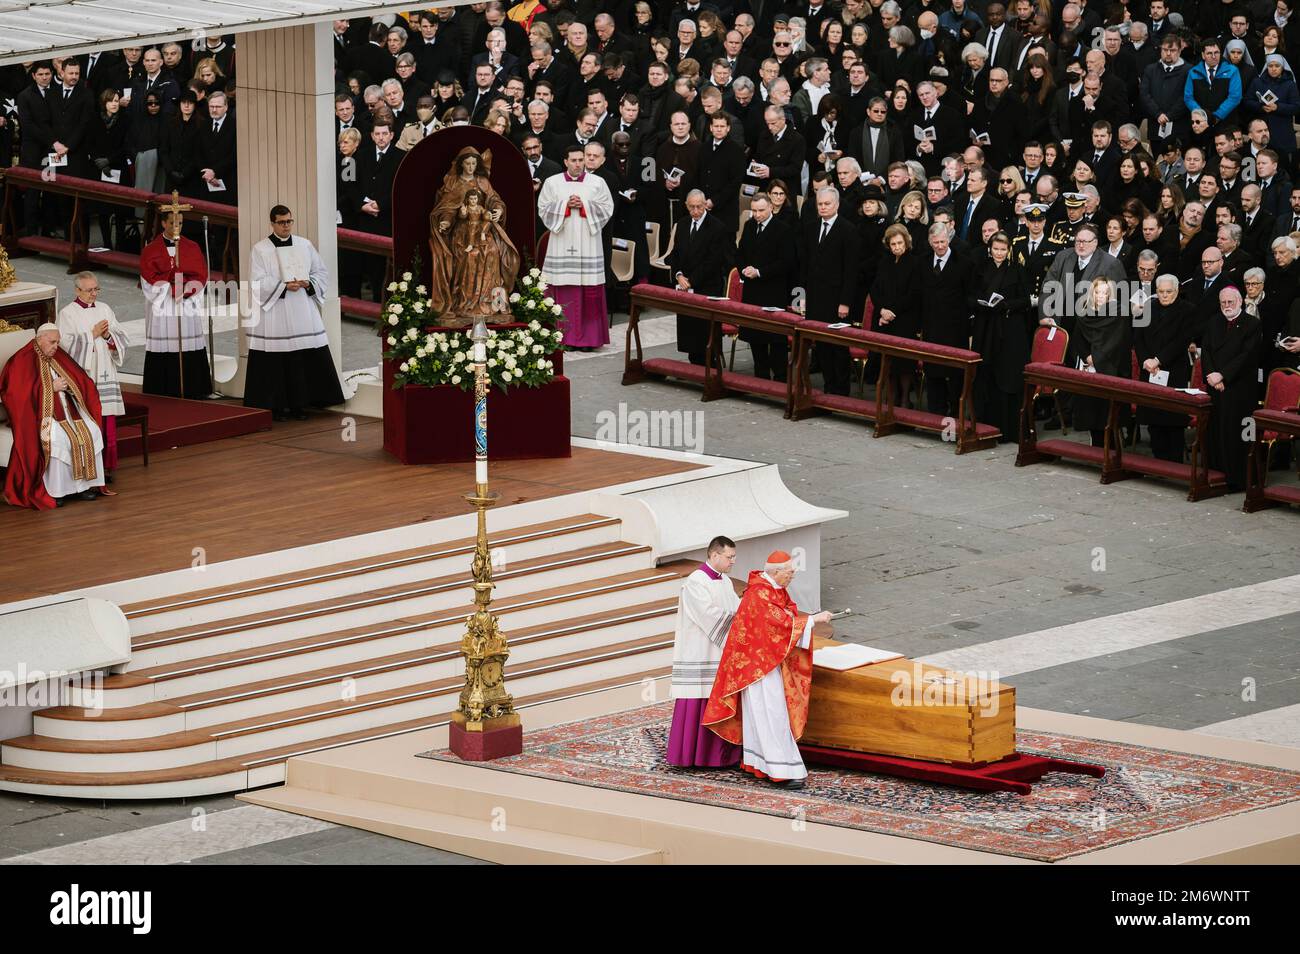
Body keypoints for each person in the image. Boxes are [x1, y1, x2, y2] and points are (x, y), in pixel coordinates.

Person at [702, 549, 833, 788]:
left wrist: (804, 620)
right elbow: (779, 625)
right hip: (759, 668)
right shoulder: (760, 594)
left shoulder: (771, 588)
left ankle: (758, 763)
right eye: (789, 572)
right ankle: (783, 769)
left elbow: (785, 616)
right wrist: (815, 619)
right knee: (773, 715)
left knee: (760, 716)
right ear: (776, 572)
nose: (792, 576)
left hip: (760, 663)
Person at [244, 205, 345, 421]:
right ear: (272, 223)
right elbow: (256, 282)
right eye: (281, 222)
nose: (286, 226)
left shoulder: (304, 245)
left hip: (301, 308)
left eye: (289, 221)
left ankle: (301, 405)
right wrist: (281, 286)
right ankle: (277, 406)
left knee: (300, 358)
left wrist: (309, 283)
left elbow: (321, 272)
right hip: (276, 311)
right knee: (276, 361)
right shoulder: (260, 249)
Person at [0, 324, 106, 509]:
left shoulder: (57, 355)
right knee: (59, 438)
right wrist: (50, 387)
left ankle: (84, 486)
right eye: (52, 342)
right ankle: (57, 491)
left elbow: (81, 379)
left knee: (91, 431)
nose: (56, 346)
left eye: (57, 342)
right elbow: (16, 395)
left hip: (69, 410)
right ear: (40, 339)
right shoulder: (21, 360)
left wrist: (72, 387)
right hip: (40, 415)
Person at [666, 535, 742, 769]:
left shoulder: (725, 582)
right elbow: (709, 616)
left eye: (734, 557)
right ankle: (694, 756)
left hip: (719, 652)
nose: (733, 561)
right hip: (701, 653)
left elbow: (736, 609)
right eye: (729, 557)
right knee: (699, 702)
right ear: (714, 555)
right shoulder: (695, 582)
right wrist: (738, 626)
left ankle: (722, 756)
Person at [537, 144, 616, 349]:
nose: (578, 164)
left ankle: (590, 339)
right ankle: (563, 337)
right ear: (565, 162)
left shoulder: (597, 182)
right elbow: (543, 209)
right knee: (565, 290)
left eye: (581, 160)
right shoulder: (552, 182)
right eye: (574, 160)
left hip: (589, 245)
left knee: (588, 291)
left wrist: (585, 206)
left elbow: (608, 209)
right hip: (562, 243)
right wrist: (564, 206)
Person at [55, 272, 127, 488]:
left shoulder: (105, 309)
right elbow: (64, 346)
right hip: (85, 377)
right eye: (89, 290)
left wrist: (108, 337)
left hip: (105, 371)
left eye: (96, 289)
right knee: (88, 423)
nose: (94, 294)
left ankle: (105, 467)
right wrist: (92, 334)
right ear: (77, 290)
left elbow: (120, 336)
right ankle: (88, 468)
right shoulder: (67, 314)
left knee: (107, 424)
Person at [140, 209, 211, 398]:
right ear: (164, 223)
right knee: (165, 345)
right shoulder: (151, 250)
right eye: (172, 223)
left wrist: (185, 289)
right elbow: (148, 279)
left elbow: (201, 275)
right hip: (164, 306)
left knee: (187, 343)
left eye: (179, 222)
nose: (176, 227)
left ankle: (193, 390)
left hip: (185, 304)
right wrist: (171, 288)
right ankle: (163, 391)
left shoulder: (192, 247)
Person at [971, 231, 1031, 439]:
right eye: (995, 249)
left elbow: (1025, 300)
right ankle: (985, 423)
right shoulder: (980, 269)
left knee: (1008, 375)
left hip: (1010, 330)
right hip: (985, 328)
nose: (998, 253)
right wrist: (982, 304)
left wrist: (1006, 305)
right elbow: (970, 296)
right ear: (990, 249)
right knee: (986, 373)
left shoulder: (1017, 270)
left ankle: (1010, 429)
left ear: (1008, 251)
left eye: (1002, 250)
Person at [1201, 285, 1261, 491]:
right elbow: (1206, 350)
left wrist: (1223, 375)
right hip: (1215, 388)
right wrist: (1211, 376)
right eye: (1223, 303)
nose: (1227, 306)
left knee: (1237, 436)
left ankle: (1238, 479)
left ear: (1240, 302)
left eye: (1230, 302)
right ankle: (1216, 474)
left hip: (1239, 390)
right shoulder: (1214, 322)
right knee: (1215, 432)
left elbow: (1246, 356)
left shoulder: (1252, 324)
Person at [668, 189, 735, 364]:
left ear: (705, 205)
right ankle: (693, 365)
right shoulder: (682, 224)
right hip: (684, 285)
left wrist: (691, 281)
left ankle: (710, 366)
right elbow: (675, 254)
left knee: (705, 334)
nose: (696, 211)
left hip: (707, 286)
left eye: (699, 207)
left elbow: (713, 261)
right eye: (692, 207)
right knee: (689, 331)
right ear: (686, 206)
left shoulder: (717, 227)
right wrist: (679, 274)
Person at [1135, 274, 1195, 462]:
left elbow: (1182, 341)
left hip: (1174, 369)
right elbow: (1137, 337)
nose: (1165, 295)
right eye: (1161, 292)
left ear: (1176, 291)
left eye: (1169, 292)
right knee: (1153, 417)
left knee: (1173, 417)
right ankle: (1158, 459)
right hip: (1149, 371)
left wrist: (1158, 360)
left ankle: (1174, 461)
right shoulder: (1147, 308)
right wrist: (1146, 360)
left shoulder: (1188, 310)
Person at [735, 192, 794, 380]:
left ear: (770, 207)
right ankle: (760, 377)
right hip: (752, 291)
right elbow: (741, 252)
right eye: (754, 211)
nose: (757, 215)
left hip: (773, 291)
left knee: (776, 339)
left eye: (761, 210)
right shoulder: (749, 225)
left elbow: (786, 262)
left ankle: (780, 379)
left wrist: (759, 271)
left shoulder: (782, 229)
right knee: (755, 337)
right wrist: (744, 268)